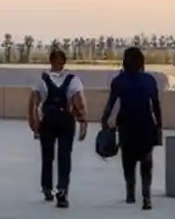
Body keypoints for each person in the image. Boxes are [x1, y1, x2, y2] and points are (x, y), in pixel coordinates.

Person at [101, 47, 163, 210]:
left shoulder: (119, 81)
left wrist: (104, 121)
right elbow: (156, 105)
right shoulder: (149, 80)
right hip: (146, 123)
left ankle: (130, 193)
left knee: (128, 160)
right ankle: (146, 195)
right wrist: (159, 126)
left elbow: (111, 104)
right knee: (146, 161)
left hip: (126, 124)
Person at [29, 48, 88, 208]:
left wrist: (34, 125)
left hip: (48, 119)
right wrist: (83, 121)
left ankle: (47, 187)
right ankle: (62, 190)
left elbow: (34, 104)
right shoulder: (73, 80)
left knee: (47, 155)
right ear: (64, 61)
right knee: (64, 156)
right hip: (65, 119)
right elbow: (79, 103)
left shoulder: (42, 79)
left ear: (50, 61)